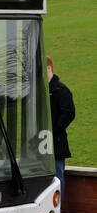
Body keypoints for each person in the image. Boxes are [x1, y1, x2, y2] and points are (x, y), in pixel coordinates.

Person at [47, 57, 75, 199]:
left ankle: (58, 209)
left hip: (56, 141)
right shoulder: (41, 91)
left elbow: (69, 113)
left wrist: (54, 130)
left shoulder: (61, 90)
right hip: (42, 142)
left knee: (57, 175)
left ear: (49, 68)